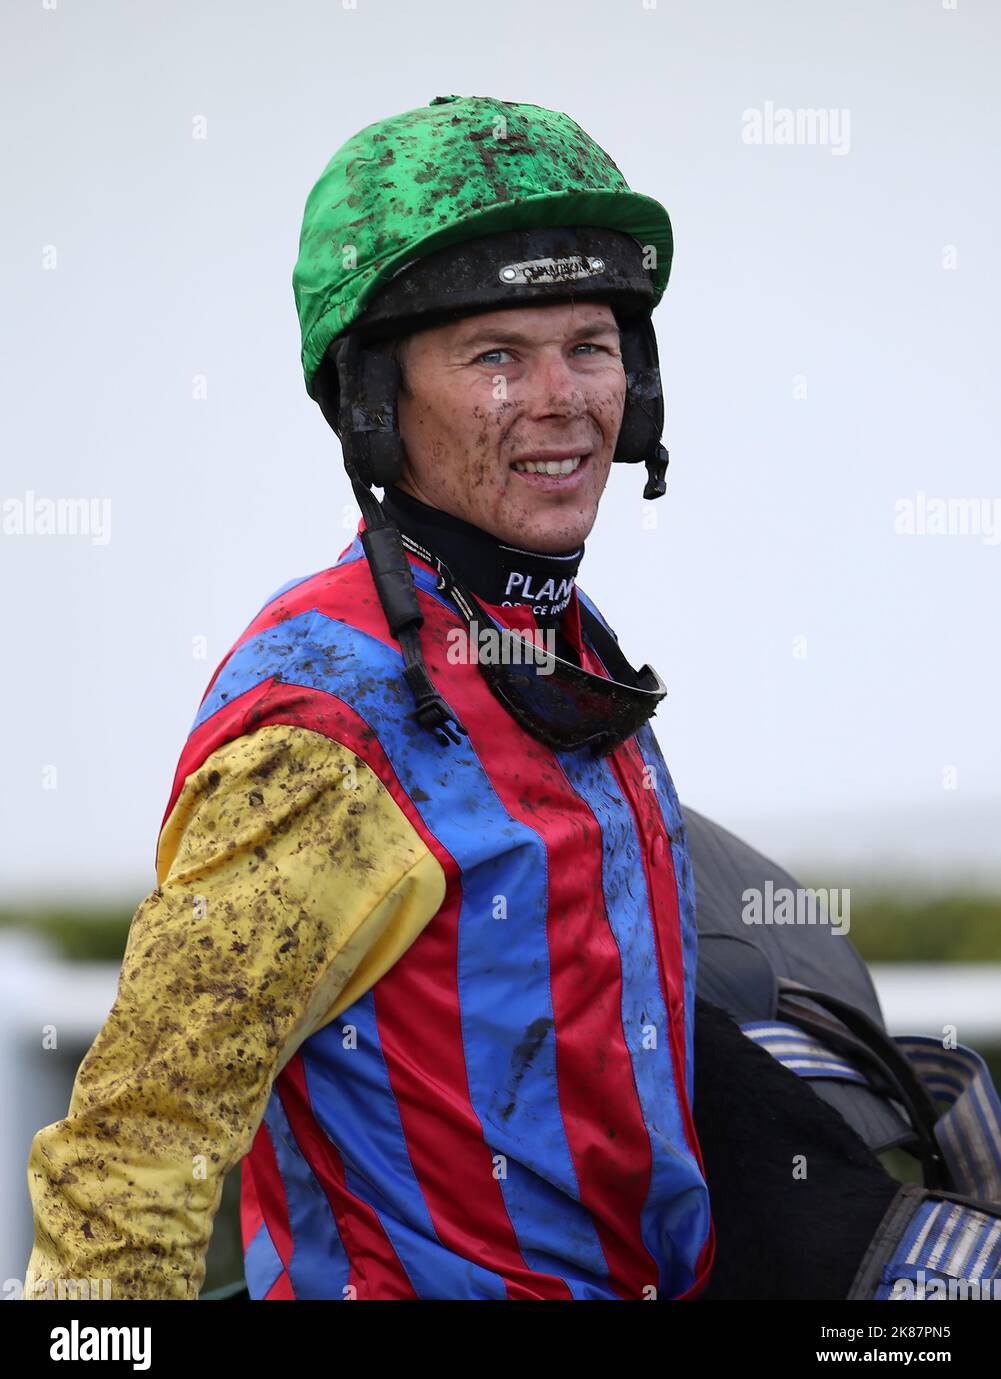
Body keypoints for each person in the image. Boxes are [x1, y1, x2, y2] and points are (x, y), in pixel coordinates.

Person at [22, 92, 715, 1301]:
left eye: (590, 345)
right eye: (496, 356)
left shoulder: (560, 645)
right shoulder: (322, 728)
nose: (562, 397)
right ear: (376, 407)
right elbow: (133, 1149)